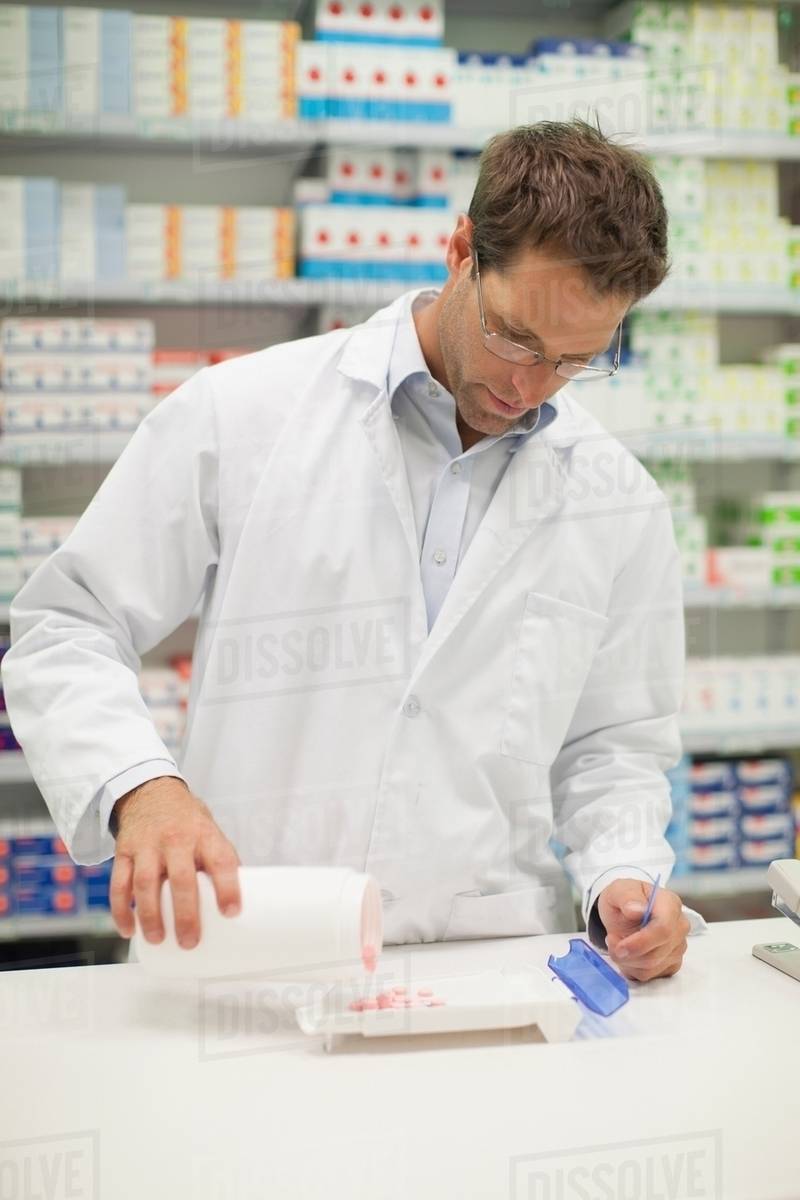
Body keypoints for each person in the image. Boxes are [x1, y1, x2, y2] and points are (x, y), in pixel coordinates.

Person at [3, 119, 702, 982]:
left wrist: (623, 877)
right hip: (254, 947)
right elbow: (67, 622)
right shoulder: (245, 411)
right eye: (515, 338)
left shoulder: (619, 500)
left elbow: (614, 745)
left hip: (484, 972)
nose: (528, 387)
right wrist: (141, 787)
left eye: (572, 362)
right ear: (461, 253)